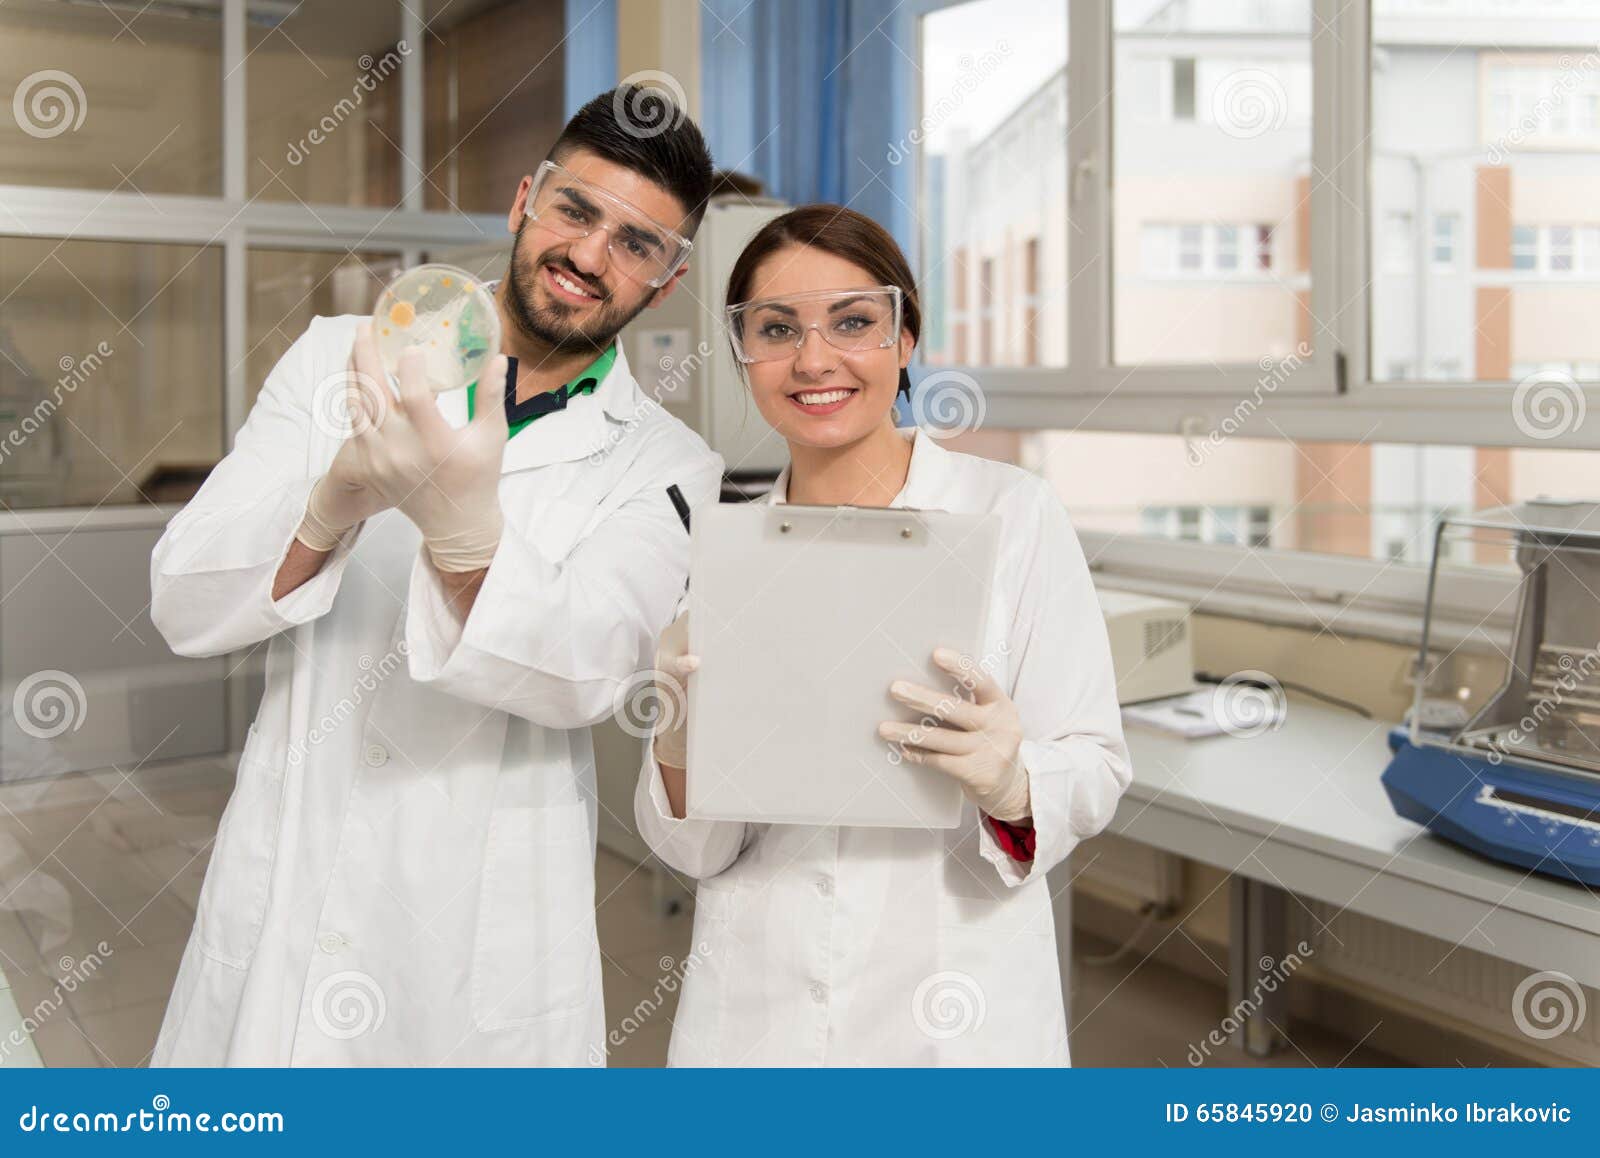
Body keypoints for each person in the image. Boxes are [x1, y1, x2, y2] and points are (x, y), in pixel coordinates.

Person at [149, 86, 722, 1066]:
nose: (589, 256)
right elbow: (185, 596)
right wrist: (326, 510)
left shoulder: (668, 466)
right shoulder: (340, 356)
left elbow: (589, 670)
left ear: (665, 284)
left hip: (479, 927)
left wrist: (468, 548)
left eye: (635, 244)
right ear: (525, 201)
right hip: (295, 866)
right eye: (575, 211)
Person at [634, 205, 1131, 1066]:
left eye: (853, 322)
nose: (814, 360)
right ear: (744, 353)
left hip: (954, 1006)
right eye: (777, 329)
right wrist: (678, 744)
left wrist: (1013, 781)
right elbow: (696, 849)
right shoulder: (724, 548)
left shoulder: (1012, 514)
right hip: (759, 1012)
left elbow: (1094, 767)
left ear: (904, 339)